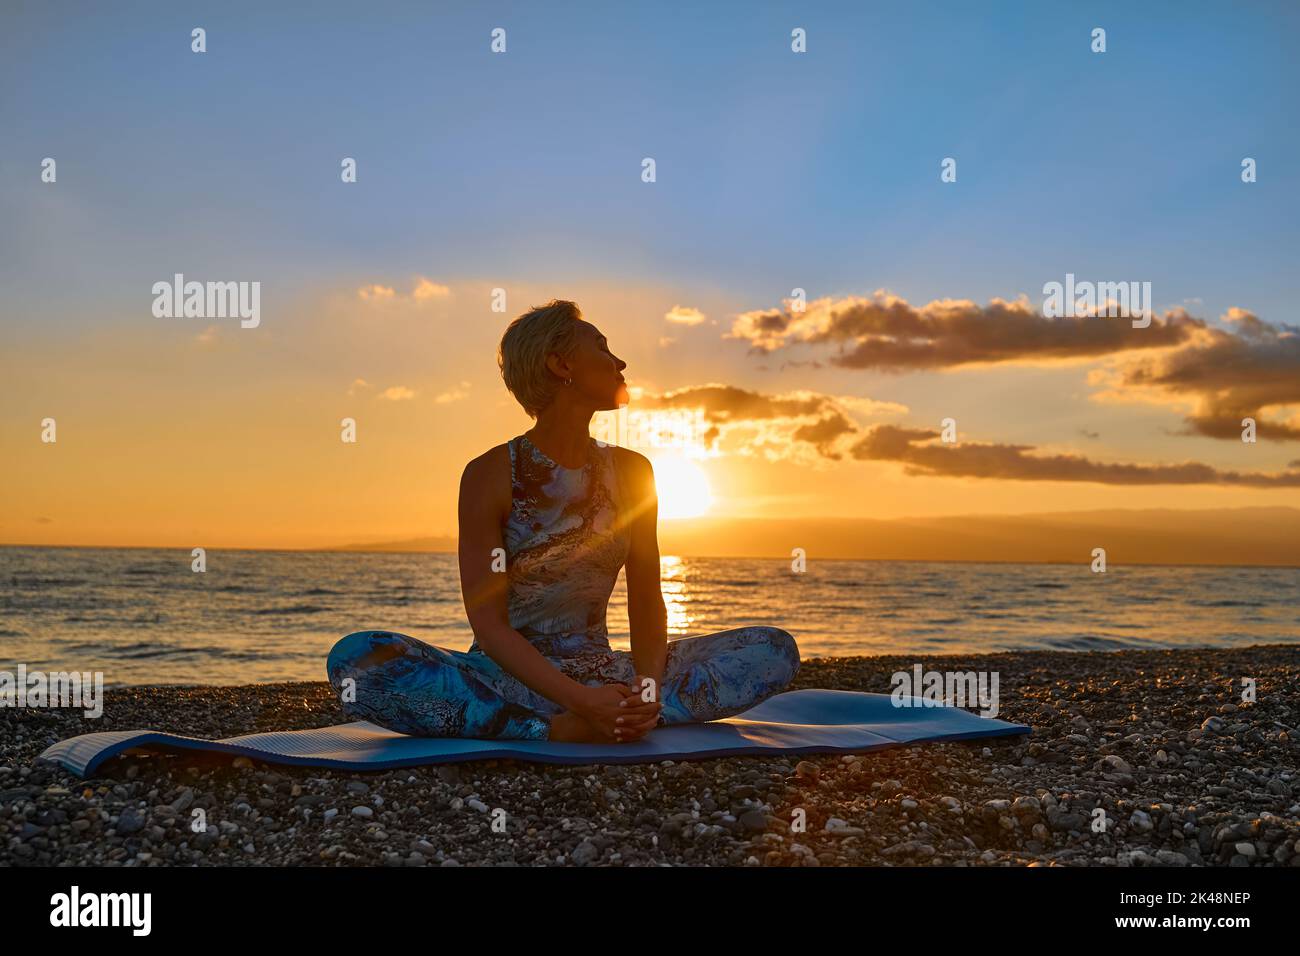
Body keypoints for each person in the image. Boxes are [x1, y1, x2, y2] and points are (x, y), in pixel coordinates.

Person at [326, 299, 800, 742]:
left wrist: (647, 688)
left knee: (774, 649)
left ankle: (619, 715)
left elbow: (647, 598)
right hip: (509, 676)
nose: (620, 363)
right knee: (357, 660)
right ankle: (558, 728)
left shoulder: (634, 471)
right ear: (561, 364)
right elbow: (489, 626)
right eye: (601, 347)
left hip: (603, 671)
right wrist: (580, 702)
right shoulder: (489, 474)